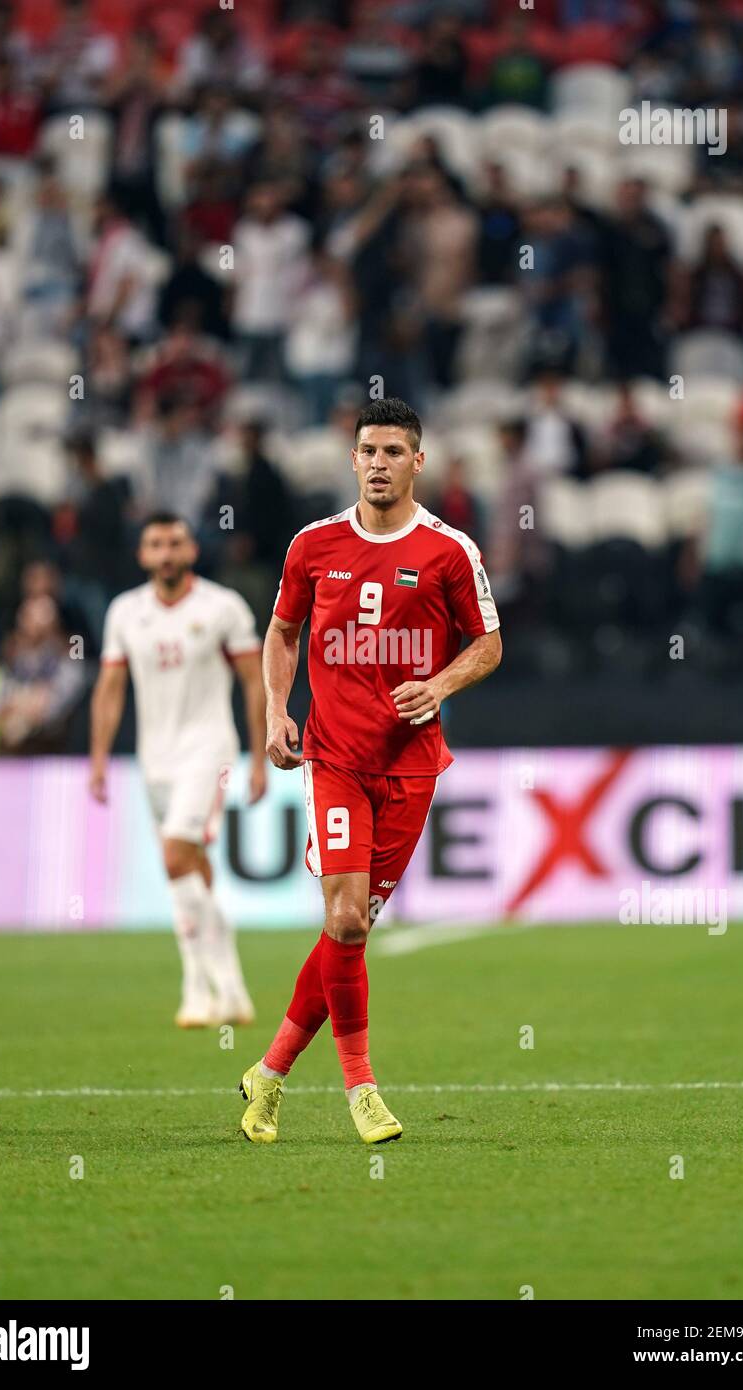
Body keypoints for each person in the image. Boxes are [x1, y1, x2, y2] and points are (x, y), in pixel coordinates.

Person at [239, 397, 502, 1145]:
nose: (380, 463)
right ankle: (362, 1090)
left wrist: (441, 684)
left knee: (343, 932)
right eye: (369, 451)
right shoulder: (313, 546)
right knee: (349, 919)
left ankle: (268, 1074)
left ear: (419, 462)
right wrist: (274, 712)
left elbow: (489, 644)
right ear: (352, 460)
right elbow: (282, 630)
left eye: (395, 451)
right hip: (335, 760)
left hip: (413, 768)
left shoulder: (452, 551)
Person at [89, 514, 267, 1028]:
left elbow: (255, 682)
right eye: (155, 544)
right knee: (189, 867)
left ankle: (197, 987)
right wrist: (99, 758)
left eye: (174, 542)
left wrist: (259, 756)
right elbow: (110, 688)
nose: (165, 553)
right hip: (155, 759)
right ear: (143, 555)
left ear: (191, 550)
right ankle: (229, 990)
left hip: (207, 751)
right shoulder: (125, 612)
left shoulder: (221, 607)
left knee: (174, 856)